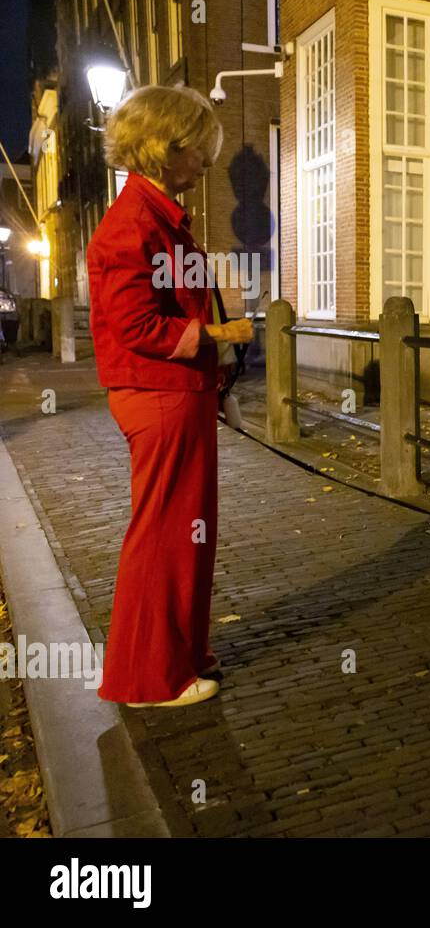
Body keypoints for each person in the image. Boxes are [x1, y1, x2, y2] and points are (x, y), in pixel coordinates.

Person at [89, 85, 253, 707]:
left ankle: (181, 653)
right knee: (163, 535)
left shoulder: (154, 216)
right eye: (199, 153)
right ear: (166, 147)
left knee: (186, 532)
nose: (206, 165)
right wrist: (219, 334)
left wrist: (213, 384)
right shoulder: (132, 223)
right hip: (158, 395)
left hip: (177, 392)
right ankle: (149, 678)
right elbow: (133, 327)